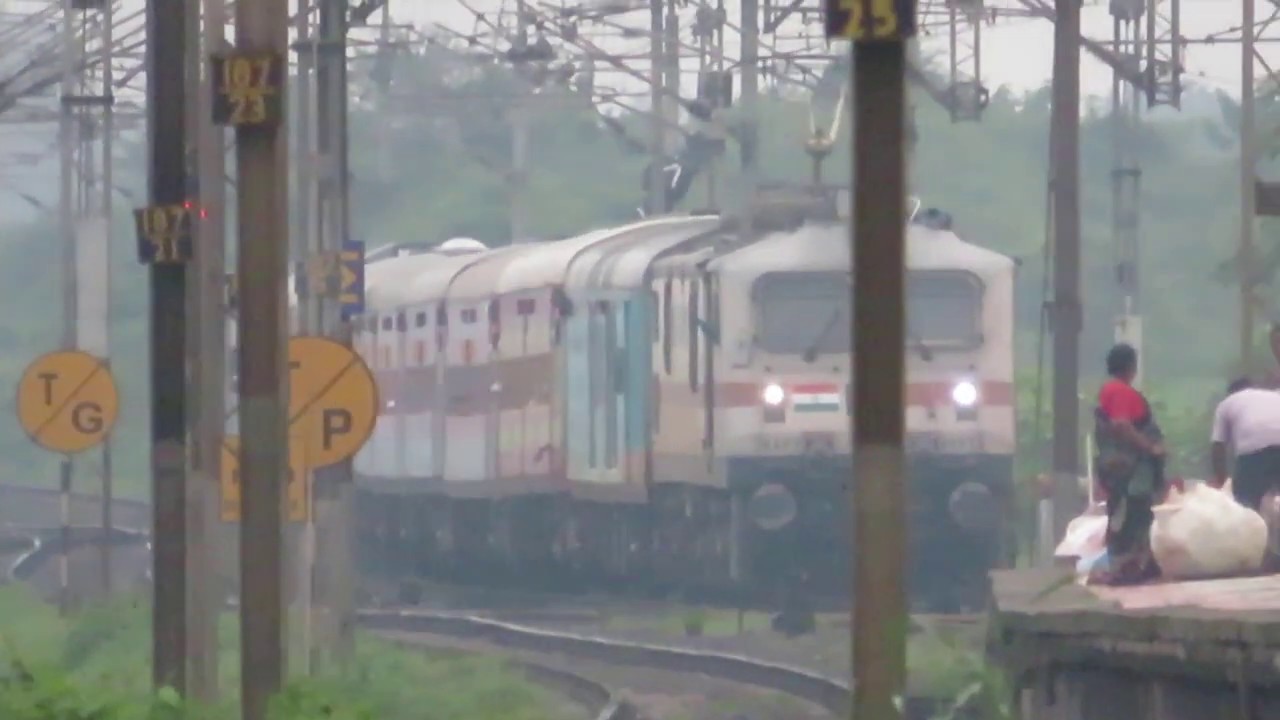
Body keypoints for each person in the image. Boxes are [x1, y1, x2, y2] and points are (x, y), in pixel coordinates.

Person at [1090, 343, 1165, 585]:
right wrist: (1149, 446)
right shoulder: (1120, 391)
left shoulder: (1108, 390)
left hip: (1120, 466)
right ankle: (1129, 567)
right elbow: (1122, 424)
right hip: (1133, 468)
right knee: (1136, 513)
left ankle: (1134, 565)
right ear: (1131, 366)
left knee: (1126, 513)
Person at [1209, 377, 1280, 510]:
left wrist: (1222, 481)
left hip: (1255, 451)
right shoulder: (1273, 395)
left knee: (1246, 502)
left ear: (1231, 392)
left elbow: (1218, 446)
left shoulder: (1227, 403)